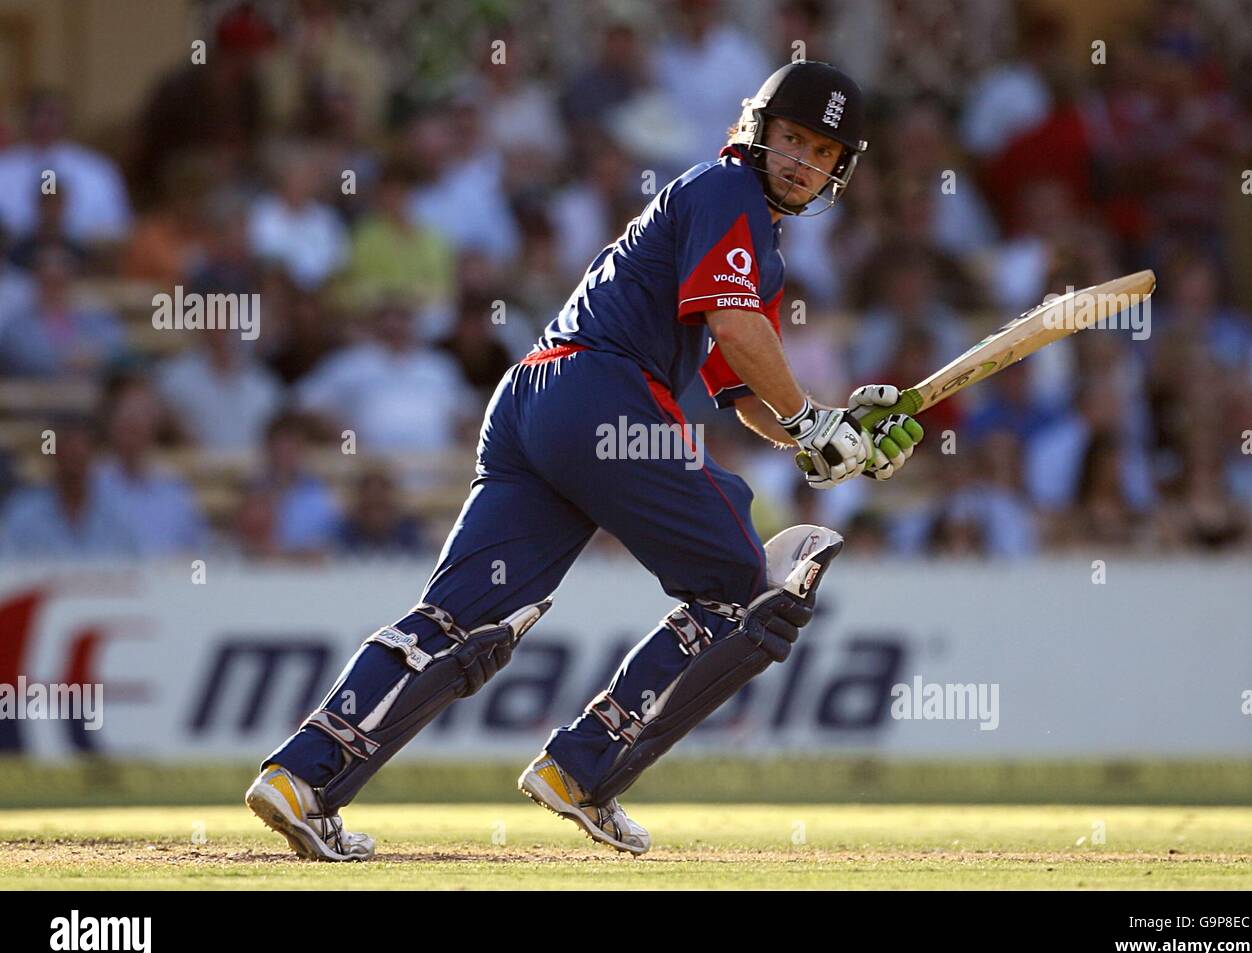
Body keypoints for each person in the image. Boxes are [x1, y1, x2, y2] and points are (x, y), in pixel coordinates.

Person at [245, 62, 924, 861]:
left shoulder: (734, 224)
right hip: (604, 392)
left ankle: (304, 780)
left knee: (469, 618)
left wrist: (824, 438)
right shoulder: (727, 192)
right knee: (751, 592)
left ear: (839, 170)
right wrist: (815, 422)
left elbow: (739, 390)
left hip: (538, 400)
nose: (802, 161)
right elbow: (740, 333)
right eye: (793, 139)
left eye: (821, 151)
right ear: (758, 131)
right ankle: (584, 772)